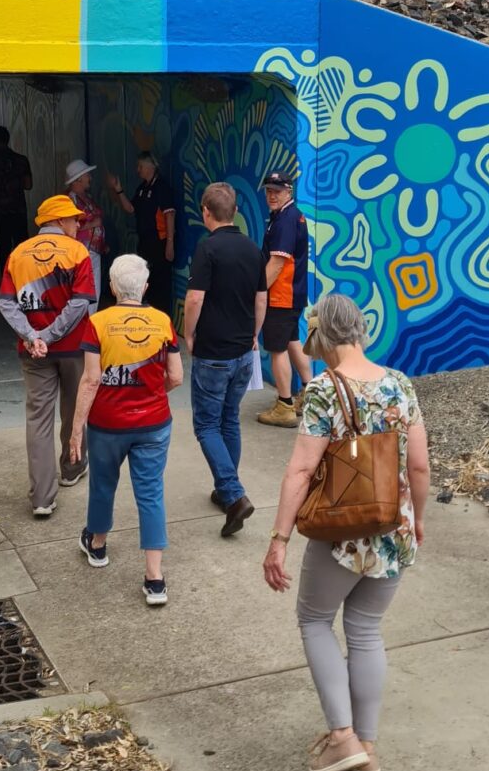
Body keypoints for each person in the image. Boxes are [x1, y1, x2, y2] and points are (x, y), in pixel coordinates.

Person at [263, 293, 430, 771]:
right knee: (365, 631)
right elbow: (418, 465)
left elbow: (300, 469)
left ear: (322, 336)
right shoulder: (400, 384)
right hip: (392, 529)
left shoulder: (321, 390)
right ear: (359, 329)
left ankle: (341, 738)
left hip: (343, 534)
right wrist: (416, 519)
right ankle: (368, 749)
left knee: (314, 620)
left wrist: (279, 538)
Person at [70, 253, 183, 607]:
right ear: (145, 287)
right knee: (150, 493)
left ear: (113, 287)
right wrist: (151, 394)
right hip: (153, 423)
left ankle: (98, 545)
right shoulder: (163, 322)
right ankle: (154, 579)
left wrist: (76, 431)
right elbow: (176, 376)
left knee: (103, 484)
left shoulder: (98, 323)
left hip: (107, 424)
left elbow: (91, 380)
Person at [0, 194, 96, 518]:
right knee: (73, 409)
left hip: (32, 352)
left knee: (38, 419)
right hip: (72, 347)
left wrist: (32, 336)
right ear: (59, 221)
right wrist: (51, 336)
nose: (77, 225)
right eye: (73, 220)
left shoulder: (17, 254)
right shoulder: (78, 252)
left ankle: (42, 498)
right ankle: (71, 469)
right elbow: (81, 302)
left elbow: (7, 303)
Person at [183, 182, 268, 538]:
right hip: (243, 352)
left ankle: (233, 495)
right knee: (229, 420)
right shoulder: (252, 248)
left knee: (206, 425)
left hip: (213, 353)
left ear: (206, 211)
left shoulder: (208, 248)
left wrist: (188, 335)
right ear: (234, 211)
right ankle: (225, 489)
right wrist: (253, 335)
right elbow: (261, 299)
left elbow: (194, 299)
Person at [256, 170, 313, 428]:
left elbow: (277, 264)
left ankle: (285, 405)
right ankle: (309, 395)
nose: (271, 195)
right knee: (292, 341)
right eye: (269, 191)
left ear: (289, 191)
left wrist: (256, 292)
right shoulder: (289, 216)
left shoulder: (285, 221)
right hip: (293, 293)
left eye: (277, 191)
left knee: (277, 349)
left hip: (281, 295)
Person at [107, 152, 176, 315]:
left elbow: (170, 214)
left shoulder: (162, 187)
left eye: (140, 166)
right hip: (145, 243)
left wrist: (170, 243)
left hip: (160, 243)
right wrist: (119, 190)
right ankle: (148, 317)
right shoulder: (142, 188)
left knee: (161, 284)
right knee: (147, 281)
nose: (137, 170)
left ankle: (163, 323)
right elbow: (130, 209)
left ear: (150, 166)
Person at [0, 126, 33, 270]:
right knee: (21, 245)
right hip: (19, 209)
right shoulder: (22, 160)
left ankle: (6, 280)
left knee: (4, 247)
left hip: (1, 210)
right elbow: (28, 185)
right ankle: (23, 277)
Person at [64, 158, 107, 311]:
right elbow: (69, 223)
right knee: (84, 287)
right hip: (82, 251)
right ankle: (83, 321)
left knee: (93, 287)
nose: (90, 178)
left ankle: (90, 320)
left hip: (93, 250)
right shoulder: (70, 199)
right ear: (79, 179)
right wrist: (93, 224)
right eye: (87, 175)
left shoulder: (85, 197)